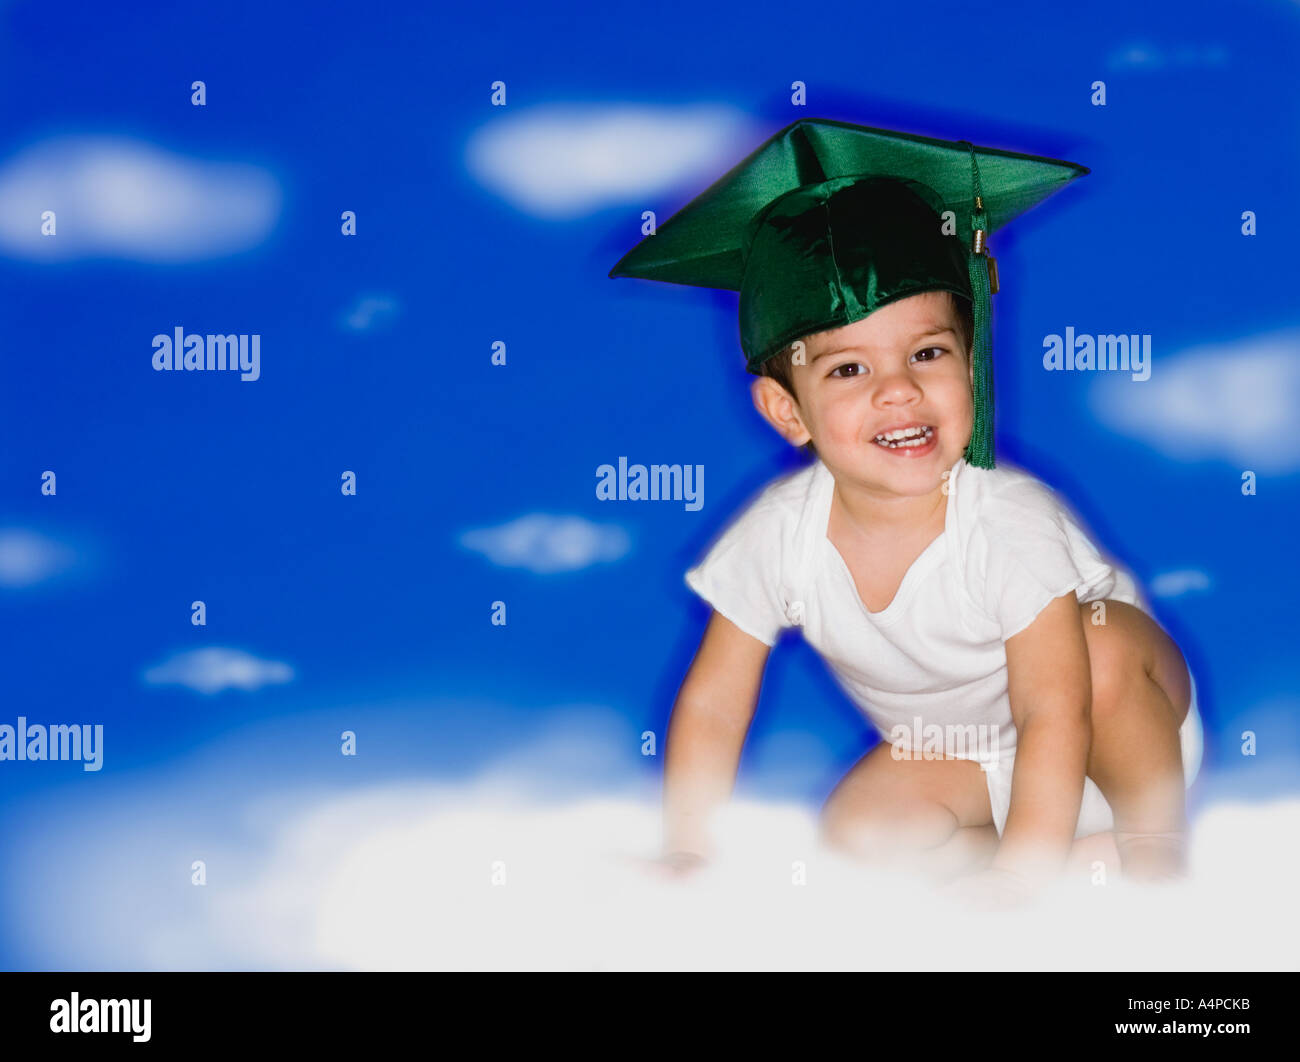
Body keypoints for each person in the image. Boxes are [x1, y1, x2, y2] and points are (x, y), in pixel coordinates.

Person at [609, 117, 1202, 908]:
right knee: (858, 829)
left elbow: (1051, 708)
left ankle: (1149, 852)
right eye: (850, 368)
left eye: (927, 353)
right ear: (787, 412)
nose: (898, 389)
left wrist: (1024, 872)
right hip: (971, 760)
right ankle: (1043, 863)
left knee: (1097, 647)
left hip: (1115, 734)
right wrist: (687, 845)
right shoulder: (780, 534)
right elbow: (716, 699)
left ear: (970, 360)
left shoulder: (1003, 519)